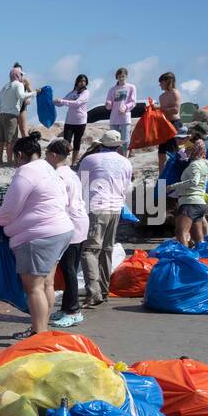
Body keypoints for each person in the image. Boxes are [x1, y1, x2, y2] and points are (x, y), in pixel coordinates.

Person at [0, 132, 74, 338]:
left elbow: (9, 211)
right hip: (61, 231)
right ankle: (42, 329)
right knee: (47, 283)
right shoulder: (48, 169)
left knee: (33, 287)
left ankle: (38, 334)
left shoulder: (26, 173)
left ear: (19, 155)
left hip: (39, 237)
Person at [77, 129, 133, 307]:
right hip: (115, 208)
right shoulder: (126, 163)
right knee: (106, 250)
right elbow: (127, 188)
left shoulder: (90, 160)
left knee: (89, 251)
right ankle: (103, 290)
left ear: (101, 144)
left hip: (96, 208)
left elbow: (81, 185)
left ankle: (93, 293)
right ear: (118, 146)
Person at [46, 137, 87, 328]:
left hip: (70, 224)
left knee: (69, 269)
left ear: (53, 155)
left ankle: (73, 310)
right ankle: (67, 308)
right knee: (70, 267)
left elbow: (60, 203)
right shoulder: (71, 173)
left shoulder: (59, 176)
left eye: (47, 155)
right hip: (79, 222)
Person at [169, 136, 208, 248]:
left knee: (181, 232)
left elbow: (194, 182)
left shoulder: (194, 165)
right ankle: (202, 257)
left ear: (194, 150)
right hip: (199, 202)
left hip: (189, 202)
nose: (186, 152)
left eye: (188, 149)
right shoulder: (206, 164)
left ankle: (185, 259)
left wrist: (173, 186)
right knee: (197, 236)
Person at [0, 67, 33, 165]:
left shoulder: (5, 86)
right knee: (11, 141)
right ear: (17, 75)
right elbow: (21, 96)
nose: (22, 77)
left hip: (1, 115)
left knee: (0, 140)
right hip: (11, 116)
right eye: (21, 75)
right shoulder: (19, 84)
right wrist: (34, 93)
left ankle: (0, 161)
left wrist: (3, 110)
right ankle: (9, 161)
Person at [55, 74, 90, 165]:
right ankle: (63, 162)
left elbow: (77, 103)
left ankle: (73, 163)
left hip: (80, 122)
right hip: (69, 121)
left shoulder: (86, 93)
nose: (82, 83)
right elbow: (62, 102)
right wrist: (54, 102)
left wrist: (62, 101)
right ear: (77, 82)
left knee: (77, 142)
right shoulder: (72, 92)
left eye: (84, 81)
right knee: (66, 142)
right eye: (81, 81)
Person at [105, 68, 137, 156]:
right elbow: (109, 102)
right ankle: (116, 157)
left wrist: (125, 107)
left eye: (123, 76)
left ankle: (125, 157)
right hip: (114, 117)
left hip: (125, 117)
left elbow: (133, 102)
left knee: (125, 140)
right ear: (117, 77)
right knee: (114, 140)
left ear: (126, 76)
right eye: (119, 76)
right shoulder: (112, 89)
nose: (121, 78)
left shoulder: (131, 87)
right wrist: (108, 104)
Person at [156, 72, 183, 173]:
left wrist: (161, 109)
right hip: (164, 125)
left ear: (167, 82)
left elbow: (175, 110)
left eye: (161, 82)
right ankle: (162, 179)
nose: (160, 85)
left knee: (174, 152)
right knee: (161, 153)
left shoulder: (175, 93)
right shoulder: (161, 96)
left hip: (175, 123)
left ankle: (175, 177)